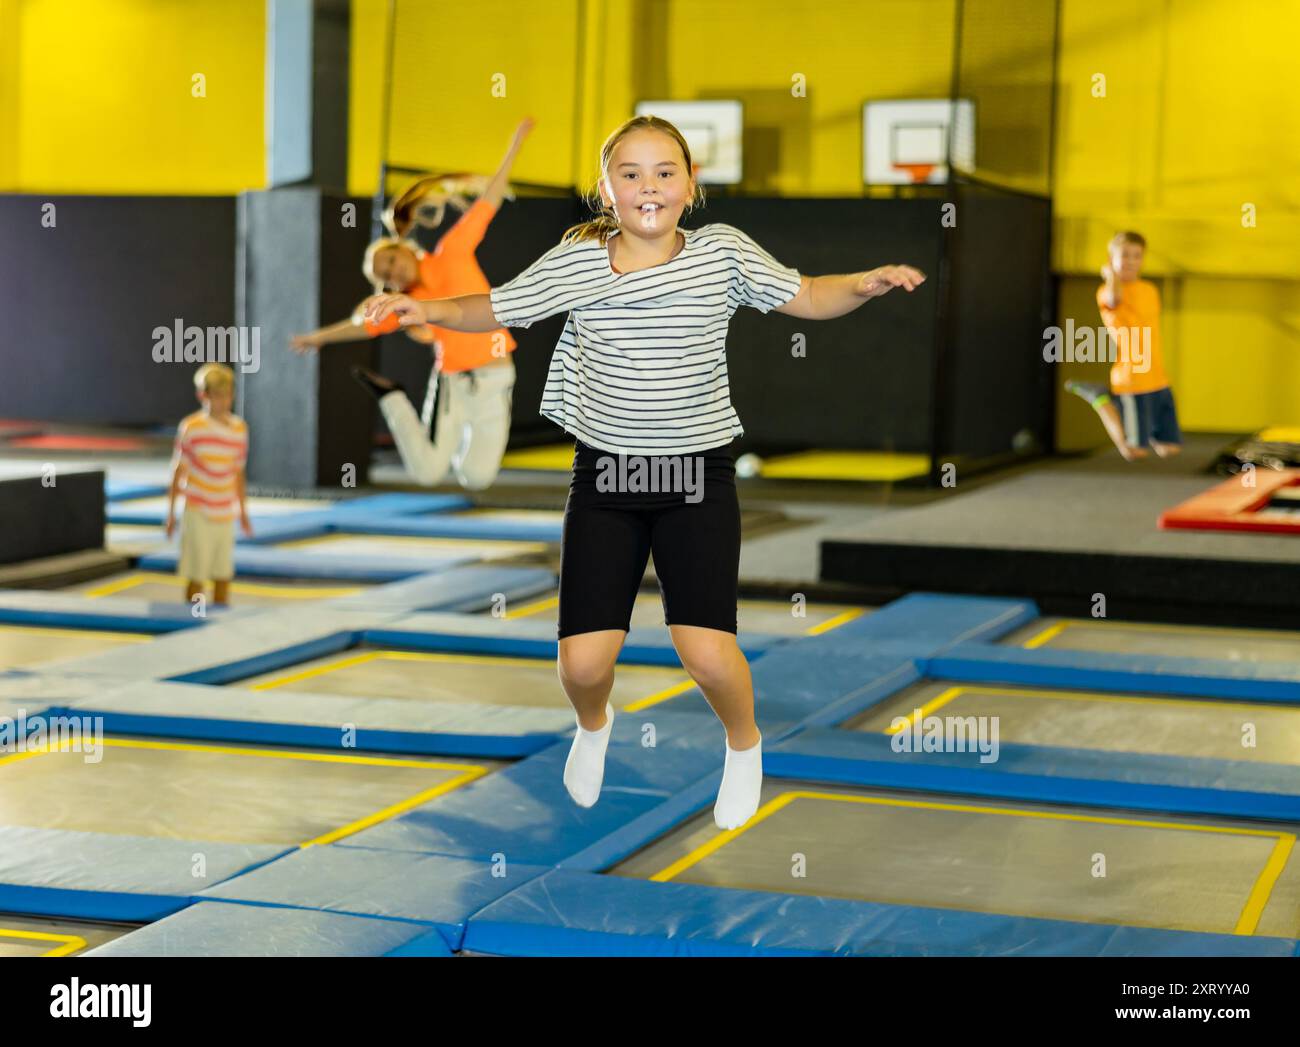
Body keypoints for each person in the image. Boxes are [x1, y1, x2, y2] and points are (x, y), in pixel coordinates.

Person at [361, 115, 925, 830]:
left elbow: (810, 294)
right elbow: (493, 306)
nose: (648, 186)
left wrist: (864, 283)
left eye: (665, 171)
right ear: (607, 191)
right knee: (582, 667)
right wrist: (423, 306)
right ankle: (594, 726)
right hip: (606, 479)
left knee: (708, 655)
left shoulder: (722, 254)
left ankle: (744, 744)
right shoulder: (577, 264)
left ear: (690, 186)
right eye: (631, 174)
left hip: (696, 477)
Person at [289, 118, 534, 490]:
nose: (392, 274)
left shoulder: (452, 252)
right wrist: (318, 337)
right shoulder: (409, 303)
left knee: (476, 477)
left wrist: (515, 144)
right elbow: (362, 325)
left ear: (403, 248)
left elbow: (489, 201)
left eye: (389, 262)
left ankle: (455, 445)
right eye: (384, 277)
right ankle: (393, 398)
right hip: (451, 381)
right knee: (426, 472)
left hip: (496, 377)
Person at [1066, 230, 1182, 460]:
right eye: (1124, 255)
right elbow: (1113, 299)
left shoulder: (1149, 289)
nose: (1130, 261)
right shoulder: (1106, 291)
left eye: (1136, 255)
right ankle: (1099, 399)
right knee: (1134, 452)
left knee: (1169, 449)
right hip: (1132, 379)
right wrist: (1111, 276)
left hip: (1158, 377)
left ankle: (1141, 425)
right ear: (1112, 259)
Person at [165, 363, 251, 607]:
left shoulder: (240, 429)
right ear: (203, 396)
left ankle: (219, 630)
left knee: (223, 575)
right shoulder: (192, 427)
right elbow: (177, 471)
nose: (224, 402)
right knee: (197, 575)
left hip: (224, 511)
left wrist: (243, 512)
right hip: (197, 510)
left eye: (228, 395)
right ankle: (192, 620)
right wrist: (171, 514)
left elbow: (238, 473)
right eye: (217, 396)